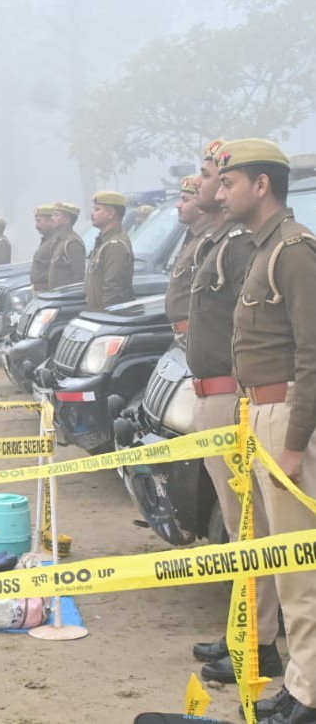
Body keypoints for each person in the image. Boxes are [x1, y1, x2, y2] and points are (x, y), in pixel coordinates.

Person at [221, 139, 316, 723]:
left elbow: (311, 354)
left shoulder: (294, 251)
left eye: (231, 181)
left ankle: (309, 697)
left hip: (287, 419)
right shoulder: (262, 249)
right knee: (281, 565)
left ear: (262, 185)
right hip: (259, 414)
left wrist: (294, 444)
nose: (221, 190)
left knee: (300, 566)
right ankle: (301, 680)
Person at [186, 142, 282, 685]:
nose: (210, 187)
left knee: (253, 527)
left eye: (219, 178)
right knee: (239, 525)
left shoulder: (248, 246)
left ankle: (258, 640)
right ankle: (245, 632)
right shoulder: (216, 240)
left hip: (235, 396)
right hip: (214, 393)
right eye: (210, 178)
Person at [164, 176, 211, 347]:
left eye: (185, 200)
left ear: (200, 205)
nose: (178, 205)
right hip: (184, 335)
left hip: (196, 335)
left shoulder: (207, 242)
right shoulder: (192, 240)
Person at [85, 190, 134, 311]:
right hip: (97, 314)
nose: (92, 214)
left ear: (111, 213)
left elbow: (112, 291)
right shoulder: (105, 242)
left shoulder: (115, 245)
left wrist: (107, 320)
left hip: (107, 317)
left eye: (97, 209)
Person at [47, 202, 85, 291]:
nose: (52, 218)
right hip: (56, 295)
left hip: (66, 298)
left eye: (56, 215)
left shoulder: (72, 243)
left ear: (67, 219)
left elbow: (79, 278)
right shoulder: (59, 241)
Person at [29, 204, 58, 294]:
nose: (36, 225)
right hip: (41, 291)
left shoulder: (56, 241)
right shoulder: (46, 240)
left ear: (51, 221)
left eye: (39, 221)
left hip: (49, 291)